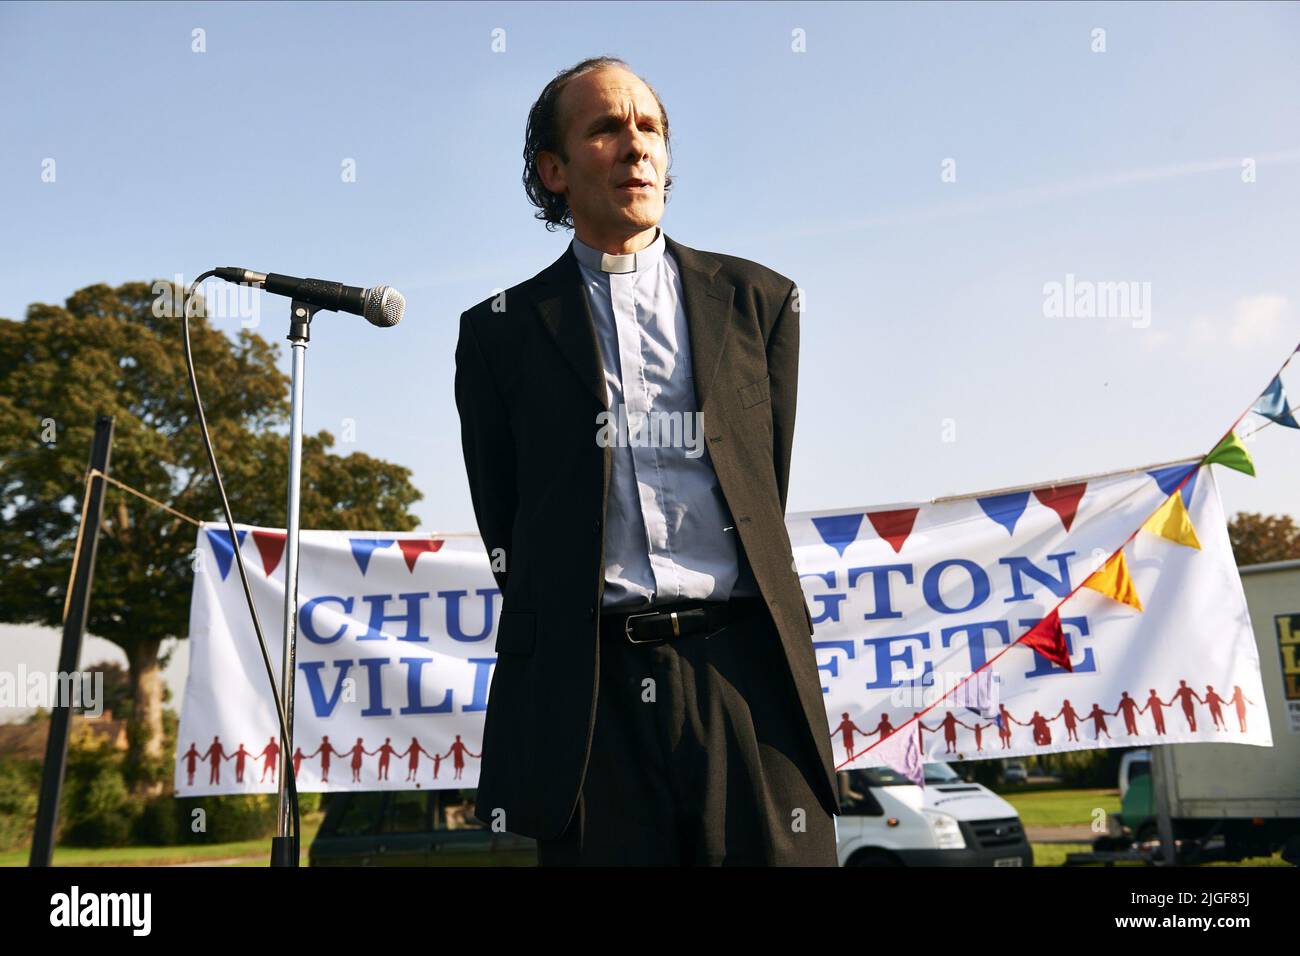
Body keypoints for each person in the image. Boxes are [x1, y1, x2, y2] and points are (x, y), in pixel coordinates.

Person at [453, 55, 839, 865]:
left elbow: (762, 480)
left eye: (650, 127)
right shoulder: (499, 332)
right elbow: (509, 523)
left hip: (746, 676)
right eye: (606, 128)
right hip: (590, 697)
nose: (636, 146)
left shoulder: (760, 300)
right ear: (552, 171)